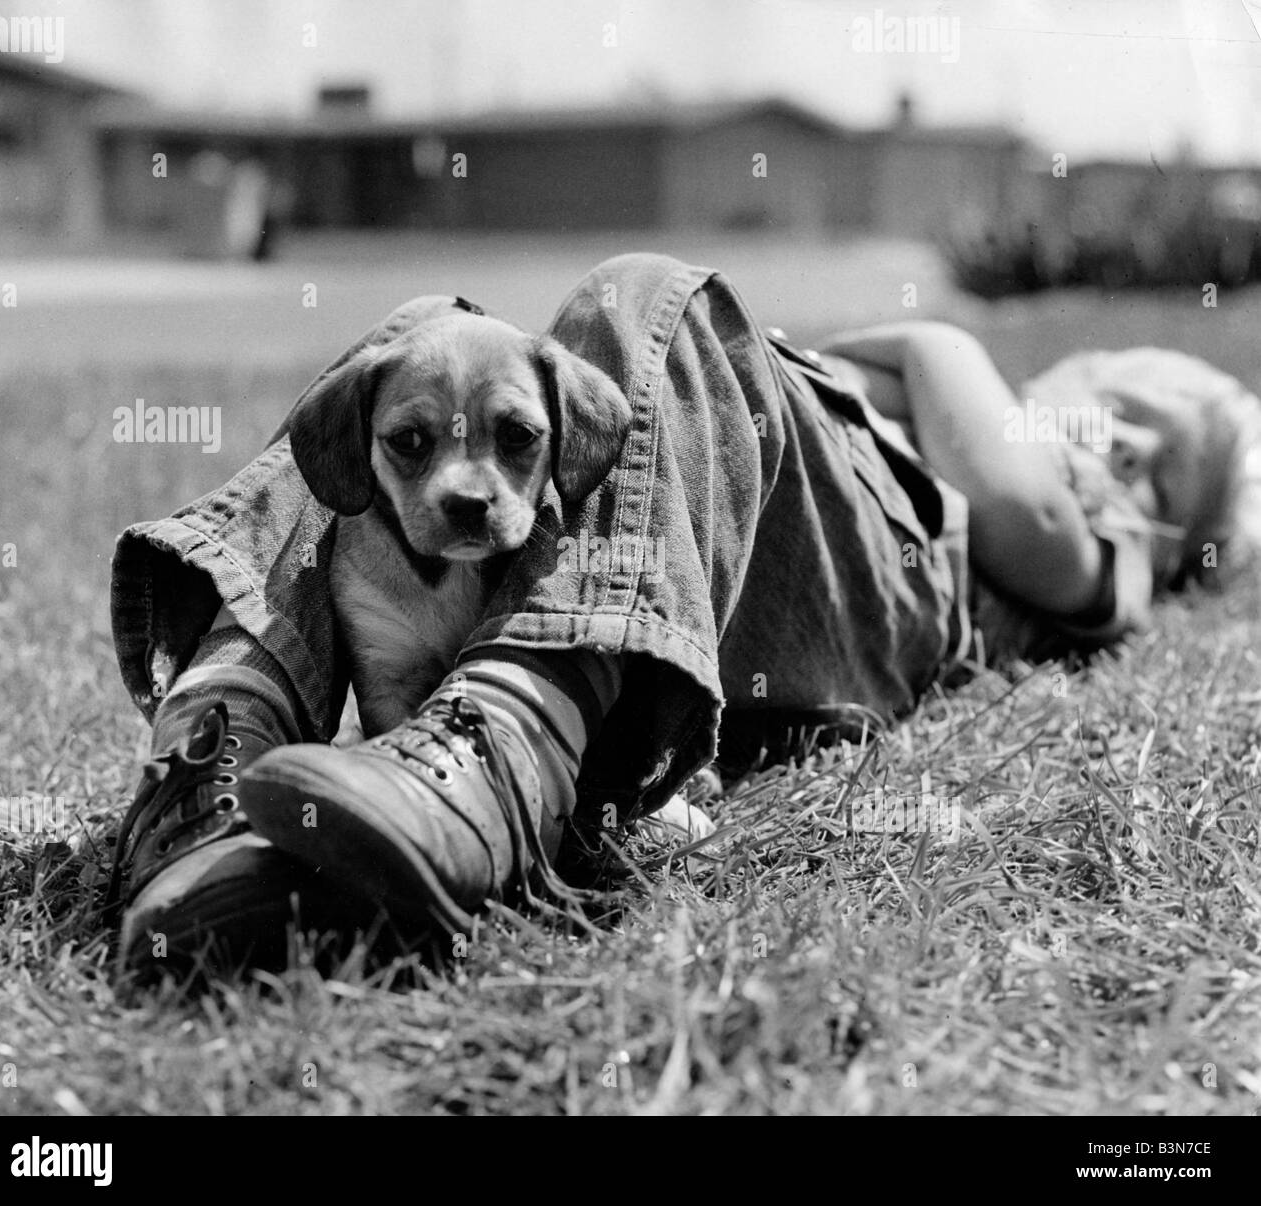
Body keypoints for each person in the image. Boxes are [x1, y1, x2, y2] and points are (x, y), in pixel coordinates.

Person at [102, 253, 1260, 979]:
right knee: (422, 329)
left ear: (1161, 495)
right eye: (1107, 400)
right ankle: (218, 747)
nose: (1093, 418)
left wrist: (925, 348)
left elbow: (1024, 518)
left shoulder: (1095, 533)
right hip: (713, 537)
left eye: (1136, 433)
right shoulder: (950, 411)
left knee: (651, 298)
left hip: (867, 591)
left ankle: (514, 743)